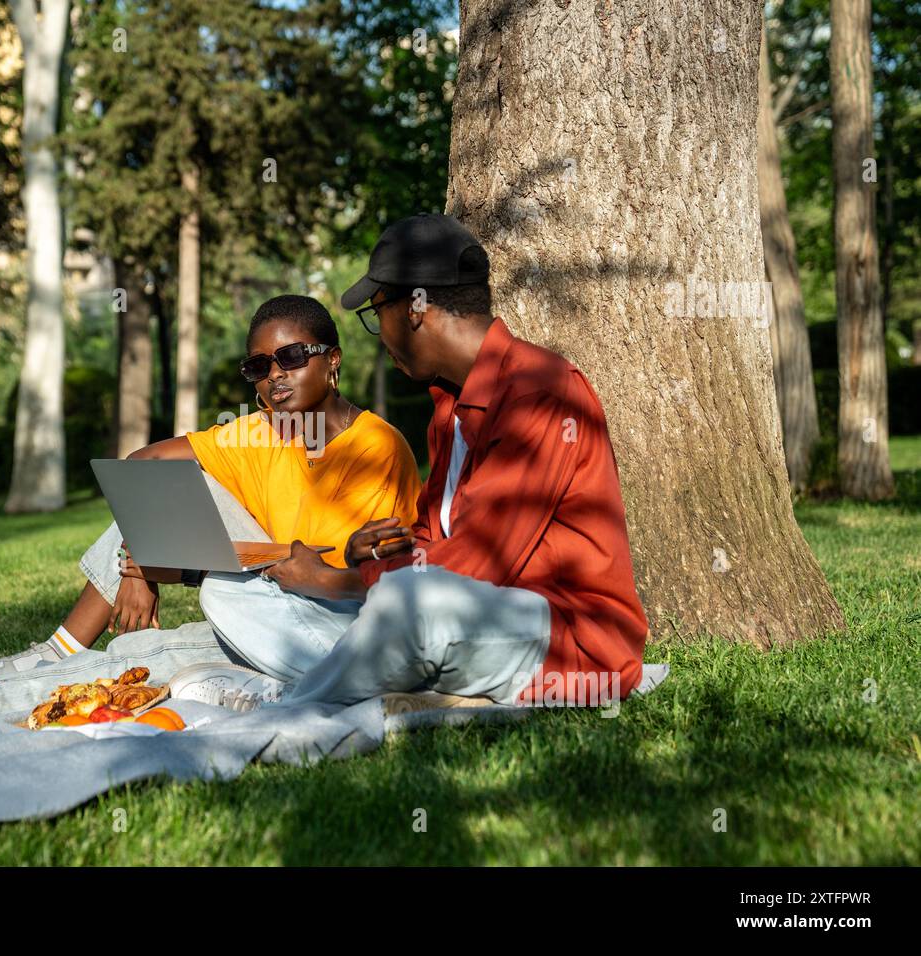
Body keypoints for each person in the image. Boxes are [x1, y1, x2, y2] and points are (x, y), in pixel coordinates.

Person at [0, 294, 422, 723]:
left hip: (323, 631)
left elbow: (362, 584)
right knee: (139, 651)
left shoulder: (376, 449)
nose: (274, 377)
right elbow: (143, 465)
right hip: (267, 597)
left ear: (333, 359)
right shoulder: (258, 433)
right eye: (258, 367)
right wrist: (139, 561)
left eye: (291, 357)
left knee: (173, 641)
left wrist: (168, 565)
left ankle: (5, 669)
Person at [162, 213, 649, 712]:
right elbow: (436, 546)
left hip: (564, 645)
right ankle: (367, 684)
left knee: (408, 606)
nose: (378, 333)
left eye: (377, 312)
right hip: (451, 623)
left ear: (414, 309)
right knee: (227, 594)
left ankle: (291, 704)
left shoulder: (541, 391)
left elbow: (477, 569)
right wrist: (371, 557)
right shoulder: (450, 408)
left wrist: (329, 580)